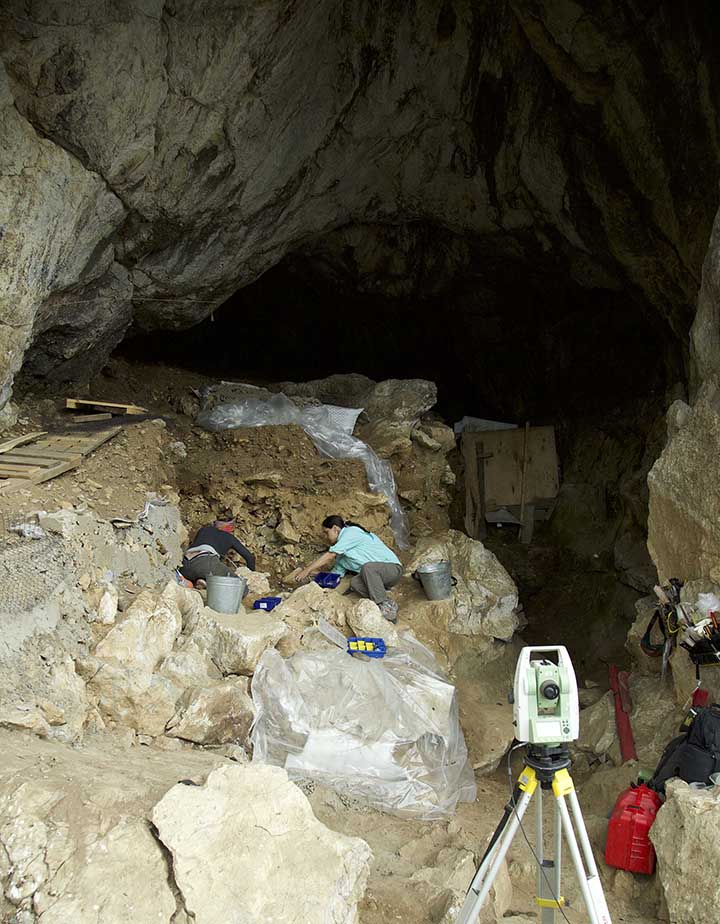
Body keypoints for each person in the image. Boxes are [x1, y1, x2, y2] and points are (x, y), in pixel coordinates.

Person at [292, 515, 402, 622]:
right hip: (379, 578)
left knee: (368, 567)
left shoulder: (351, 532)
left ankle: (385, 607)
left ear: (335, 529)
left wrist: (307, 570)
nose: (325, 537)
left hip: (393, 570)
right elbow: (335, 576)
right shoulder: (342, 555)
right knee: (355, 583)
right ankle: (387, 601)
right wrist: (313, 578)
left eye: (326, 532)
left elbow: (330, 555)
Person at [180, 518, 256, 585]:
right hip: (205, 561)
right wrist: (252, 574)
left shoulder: (204, 530)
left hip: (184, 564)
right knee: (239, 586)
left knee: (201, 571)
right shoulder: (229, 537)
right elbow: (249, 557)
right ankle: (205, 581)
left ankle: (200, 581)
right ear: (229, 527)